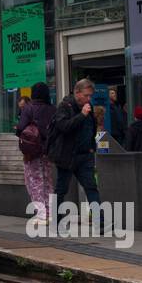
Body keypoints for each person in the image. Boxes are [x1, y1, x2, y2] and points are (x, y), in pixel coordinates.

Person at [47, 77, 100, 213]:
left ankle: (100, 221)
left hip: (84, 155)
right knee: (61, 189)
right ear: (77, 93)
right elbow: (63, 126)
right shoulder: (65, 106)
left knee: (91, 187)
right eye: (86, 95)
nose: (89, 99)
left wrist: (91, 147)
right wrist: (81, 115)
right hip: (67, 155)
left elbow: (91, 128)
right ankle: (57, 222)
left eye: (90, 96)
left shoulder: (89, 108)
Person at [15, 81, 55, 226]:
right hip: (48, 151)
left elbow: (20, 128)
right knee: (48, 181)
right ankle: (51, 213)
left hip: (32, 152)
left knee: (34, 181)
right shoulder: (52, 109)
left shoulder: (29, 108)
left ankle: (41, 214)